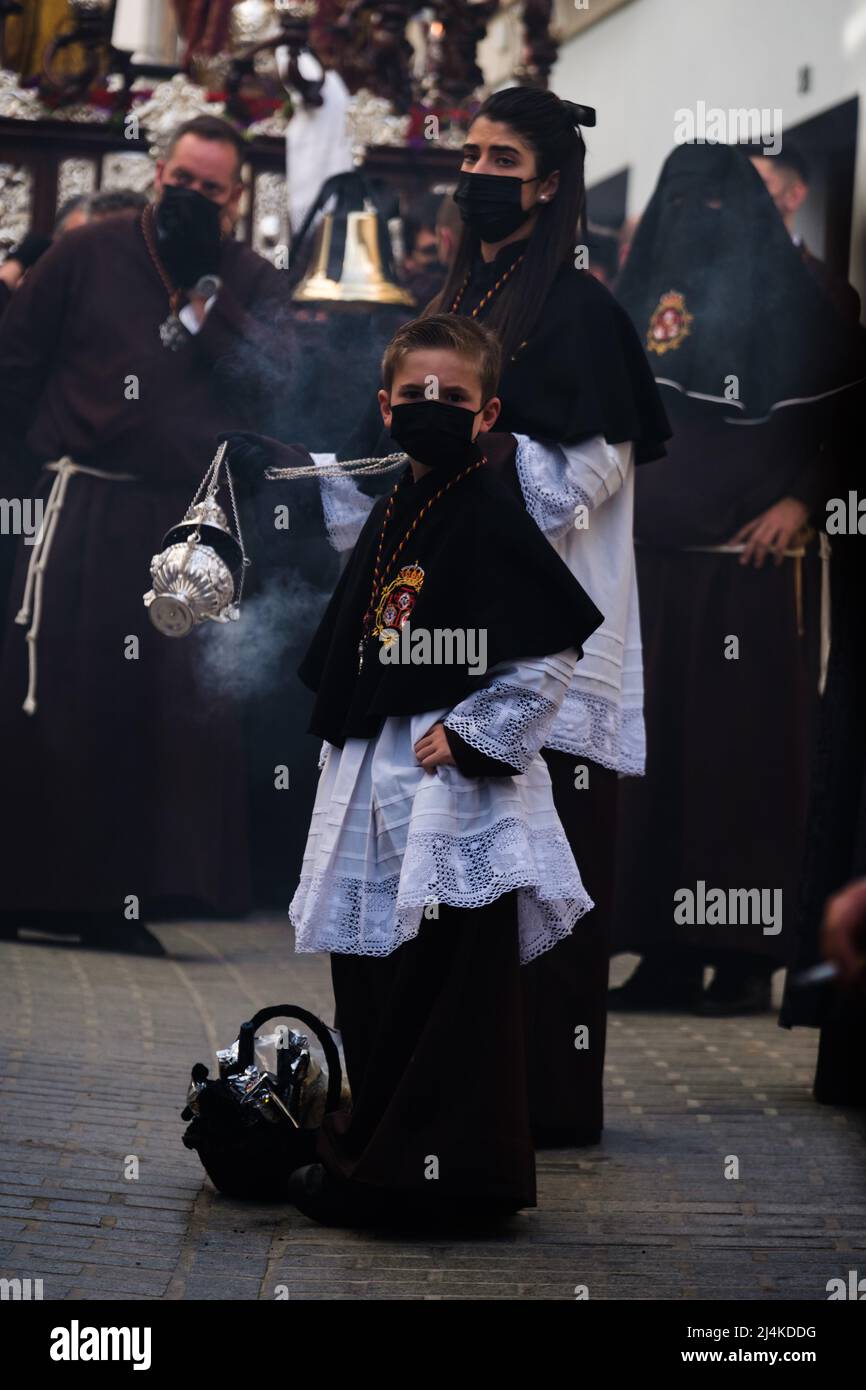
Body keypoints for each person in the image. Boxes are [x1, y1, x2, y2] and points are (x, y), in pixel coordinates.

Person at [234, 87, 671, 1149]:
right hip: (441, 642)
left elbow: (584, 472)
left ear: (548, 181)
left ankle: (545, 1108)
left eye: (499, 156)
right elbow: (405, 471)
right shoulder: (459, 292)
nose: (475, 171)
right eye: (467, 152)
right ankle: (441, 1092)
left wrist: (461, 452)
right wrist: (322, 473)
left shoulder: (580, 310)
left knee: (534, 881)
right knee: (444, 898)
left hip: (542, 640)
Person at [281, 313, 604, 1227]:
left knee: (446, 993)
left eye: (452, 399)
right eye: (415, 396)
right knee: (378, 987)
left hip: (448, 797)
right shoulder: (394, 510)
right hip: (376, 789)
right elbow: (356, 656)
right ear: (385, 407)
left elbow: (547, 653)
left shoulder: (486, 505)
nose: (431, 409)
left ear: (487, 411)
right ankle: (367, 1156)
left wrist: (475, 735)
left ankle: (438, 1180)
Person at [0, 114, 294, 952]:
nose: (193, 198)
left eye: (212, 189)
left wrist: (210, 306)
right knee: (53, 699)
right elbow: (13, 363)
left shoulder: (249, 279)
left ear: (235, 198)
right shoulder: (87, 252)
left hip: (186, 527)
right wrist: (27, 477)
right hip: (82, 508)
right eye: (183, 182)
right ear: (159, 172)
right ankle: (22, 888)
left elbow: (275, 385)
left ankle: (117, 904)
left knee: (159, 715)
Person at [611, 142, 866, 1014]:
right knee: (659, 765)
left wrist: (804, 499)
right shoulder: (637, 298)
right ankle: (663, 949)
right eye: (679, 201)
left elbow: (849, 423)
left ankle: (746, 956)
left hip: (751, 575)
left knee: (741, 765)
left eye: (713, 203)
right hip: (654, 569)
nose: (695, 219)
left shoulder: (814, 303)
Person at [749, 144, 861, 323]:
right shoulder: (711, 267)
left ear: (794, 195)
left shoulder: (827, 289)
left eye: (759, 183)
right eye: (738, 184)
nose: (743, 194)